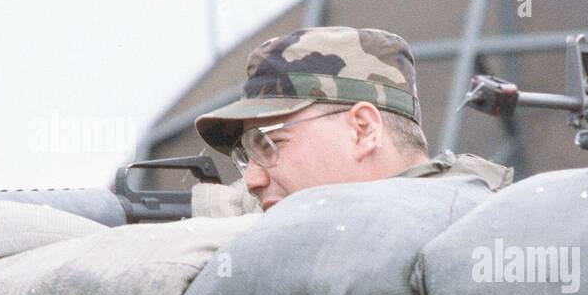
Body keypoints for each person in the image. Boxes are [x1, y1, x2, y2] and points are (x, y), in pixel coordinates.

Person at [191, 26, 510, 215]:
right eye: (247, 157)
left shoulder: (491, 239)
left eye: (270, 144)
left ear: (363, 130)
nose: (252, 180)